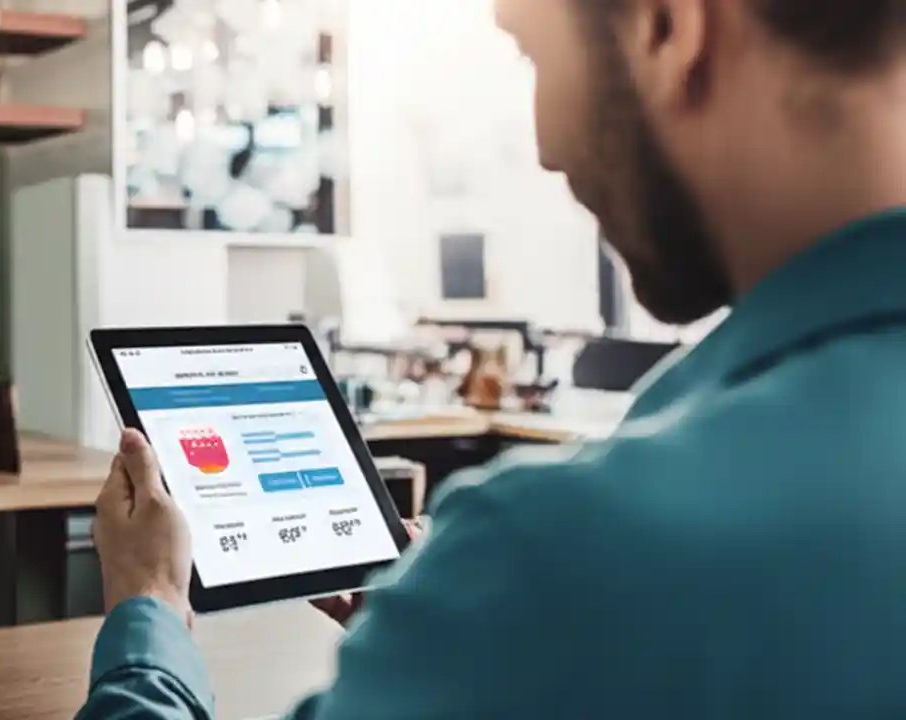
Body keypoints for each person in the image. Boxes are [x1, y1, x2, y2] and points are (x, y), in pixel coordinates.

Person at [81, 0, 906, 716]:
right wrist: (452, 645)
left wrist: (149, 609)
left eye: (533, 53)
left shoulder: (559, 553)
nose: (546, 146)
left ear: (667, 26)